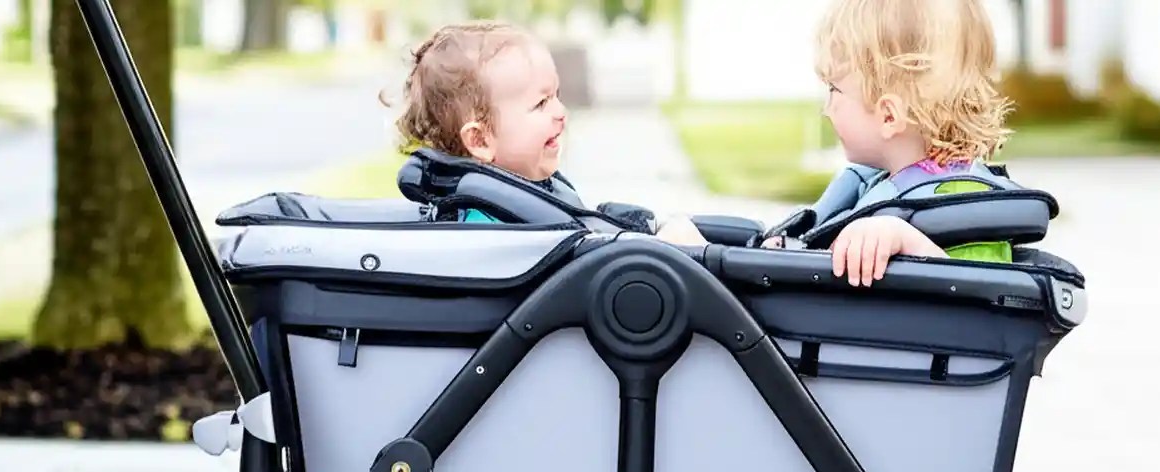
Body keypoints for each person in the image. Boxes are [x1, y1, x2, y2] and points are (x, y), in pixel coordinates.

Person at [764, 0, 1020, 286]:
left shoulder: (962, 199)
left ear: (888, 115)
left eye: (834, 90)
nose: (826, 109)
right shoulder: (872, 184)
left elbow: (989, 304)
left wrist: (904, 239)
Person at [385, 21, 707, 245]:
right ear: (481, 140)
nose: (561, 112)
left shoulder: (528, 198)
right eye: (541, 103)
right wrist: (668, 250)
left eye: (556, 96)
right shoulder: (490, 234)